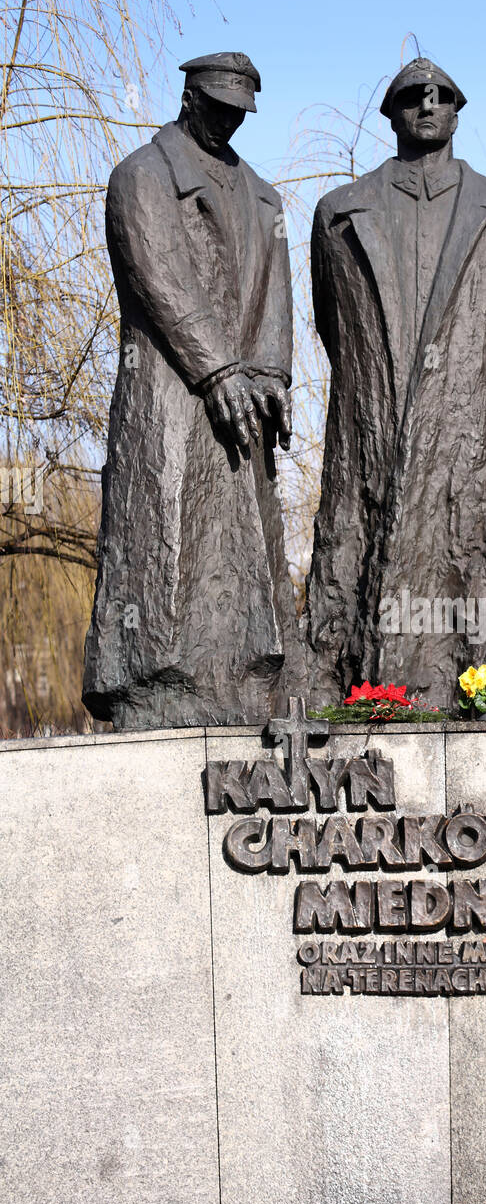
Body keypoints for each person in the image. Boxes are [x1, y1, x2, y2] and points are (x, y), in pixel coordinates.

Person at [304, 58, 486, 707]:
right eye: (413, 96)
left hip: (476, 439)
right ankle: (368, 690)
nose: (428, 104)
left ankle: (484, 690)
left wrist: (466, 401)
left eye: (442, 96)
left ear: (460, 110)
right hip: (374, 430)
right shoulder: (336, 214)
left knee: (481, 591)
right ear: (391, 113)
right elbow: (337, 329)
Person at [83, 52, 305, 729]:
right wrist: (217, 370)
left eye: (239, 112)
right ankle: (153, 683)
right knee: (165, 537)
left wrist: (269, 374)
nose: (228, 122)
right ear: (189, 97)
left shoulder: (263, 195)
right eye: (218, 108)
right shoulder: (142, 175)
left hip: (242, 402)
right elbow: (161, 279)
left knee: (245, 546)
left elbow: (276, 297)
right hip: (169, 390)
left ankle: (245, 682)